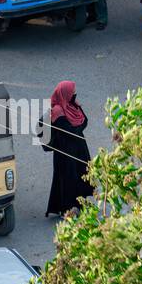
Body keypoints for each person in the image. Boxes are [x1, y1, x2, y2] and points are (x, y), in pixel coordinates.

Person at [43, 80, 94, 218]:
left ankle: (80, 204)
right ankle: (66, 208)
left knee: (82, 174)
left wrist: (78, 128)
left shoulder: (73, 105)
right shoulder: (57, 111)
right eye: (72, 92)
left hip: (79, 148)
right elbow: (68, 130)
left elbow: (85, 120)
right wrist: (79, 127)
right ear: (65, 93)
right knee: (68, 179)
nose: (75, 94)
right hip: (65, 152)